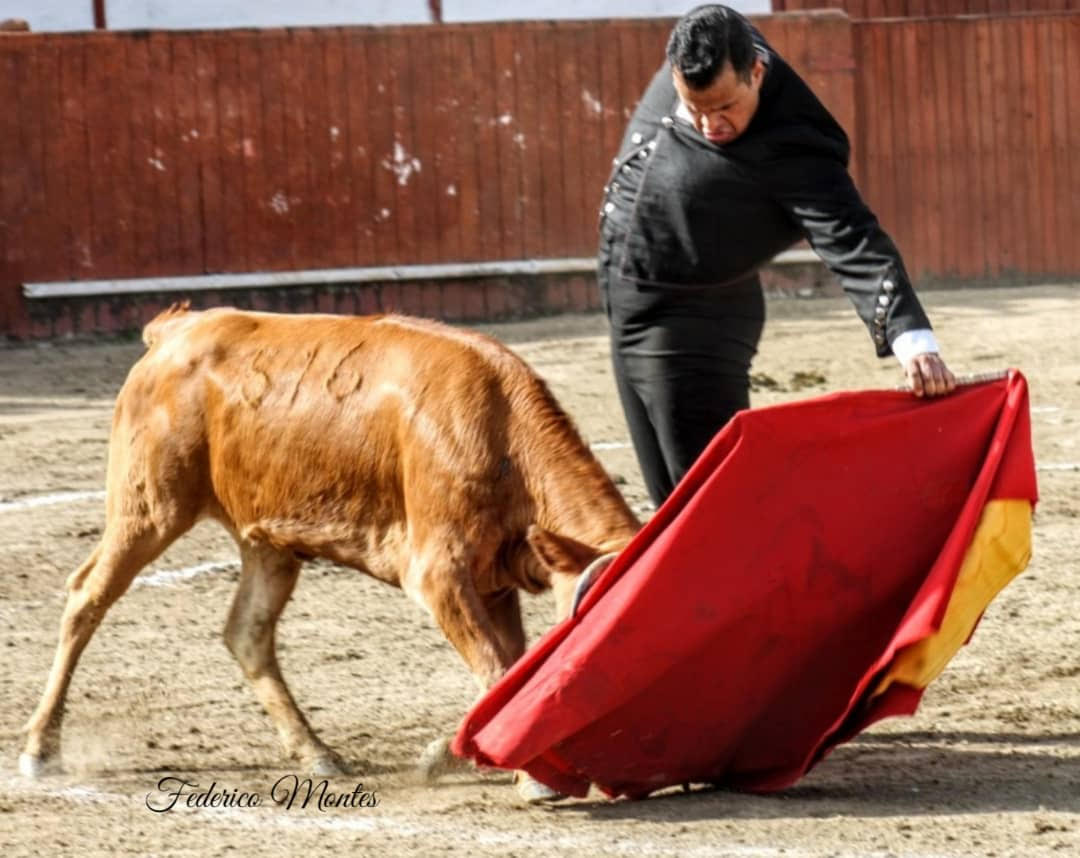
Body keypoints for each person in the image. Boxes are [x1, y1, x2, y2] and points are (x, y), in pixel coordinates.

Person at [597, 3, 956, 507]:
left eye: (725, 107)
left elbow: (852, 237)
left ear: (757, 72)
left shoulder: (794, 143)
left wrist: (911, 340)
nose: (709, 125)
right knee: (668, 505)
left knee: (706, 507)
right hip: (627, 299)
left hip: (693, 322)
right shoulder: (707, 40)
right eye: (693, 109)